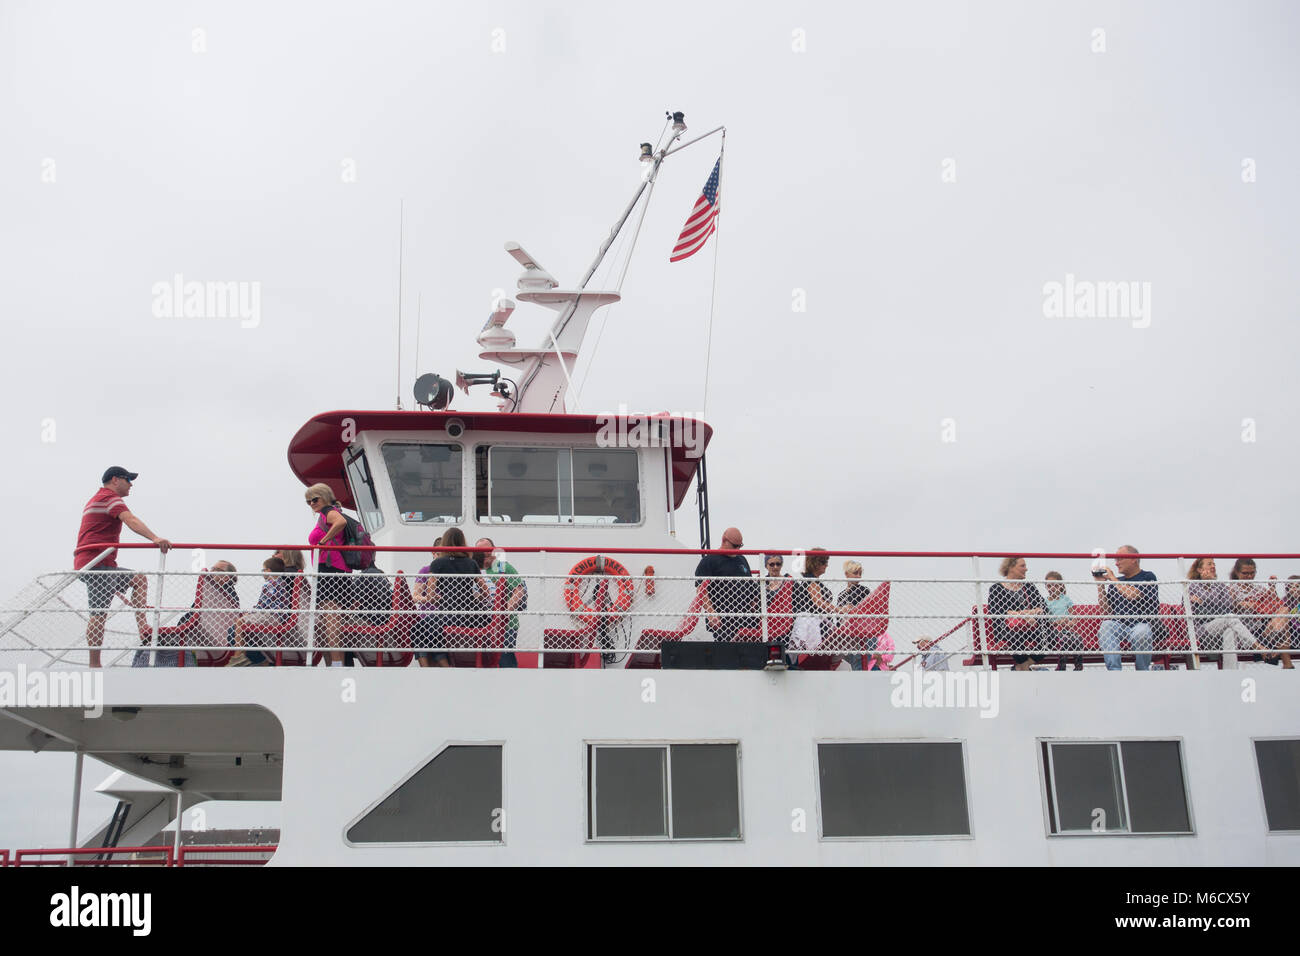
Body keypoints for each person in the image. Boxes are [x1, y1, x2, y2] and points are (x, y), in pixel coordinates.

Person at [74, 466, 172, 668]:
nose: (131, 484)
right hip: (96, 565)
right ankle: (94, 665)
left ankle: (143, 629)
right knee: (98, 614)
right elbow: (130, 520)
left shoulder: (101, 498)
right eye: (128, 480)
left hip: (101, 563)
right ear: (115, 480)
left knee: (139, 580)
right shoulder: (109, 498)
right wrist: (155, 538)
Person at [412, 528, 487, 667]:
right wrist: (475, 598)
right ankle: (445, 667)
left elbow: (430, 596)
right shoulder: (471, 563)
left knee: (418, 629)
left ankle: (434, 668)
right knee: (432, 630)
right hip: (470, 615)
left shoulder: (437, 564)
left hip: (447, 614)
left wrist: (439, 598)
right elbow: (485, 592)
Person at [306, 483, 352, 667]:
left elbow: (341, 522)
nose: (311, 503)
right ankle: (337, 662)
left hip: (330, 570)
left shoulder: (328, 511)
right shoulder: (328, 512)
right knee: (331, 620)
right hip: (335, 570)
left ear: (324, 497)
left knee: (331, 619)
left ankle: (336, 663)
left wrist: (323, 542)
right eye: (308, 501)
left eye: (314, 499)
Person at [1186, 557, 1256, 669]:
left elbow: (1227, 608)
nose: (1213, 566)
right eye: (1209, 564)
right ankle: (1257, 646)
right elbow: (1199, 614)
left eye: (1214, 564)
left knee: (1229, 630)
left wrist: (1203, 602)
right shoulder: (1192, 587)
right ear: (1199, 570)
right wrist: (1209, 588)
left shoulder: (1221, 586)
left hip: (1222, 628)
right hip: (1203, 631)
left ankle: (1230, 672)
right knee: (1229, 618)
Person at [1096, 545, 1158, 671]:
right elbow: (1106, 611)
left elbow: (1132, 595)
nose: (1116, 563)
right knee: (1106, 625)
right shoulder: (1116, 582)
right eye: (1115, 560)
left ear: (1133, 559)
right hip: (1120, 625)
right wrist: (1100, 586)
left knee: (1141, 632)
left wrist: (1112, 578)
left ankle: (1142, 671)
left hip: (1142, 623)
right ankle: (1114, 671)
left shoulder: (1148, 576)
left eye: (1119, 559)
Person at [791, 549, 857, 664]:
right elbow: (820, 603)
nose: (827, 565)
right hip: (818, 627)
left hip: (822, 625)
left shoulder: (811, 580)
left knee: (848, 643)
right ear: (815, 563)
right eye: (824, 562)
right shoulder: (811, 582)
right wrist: (840, 610)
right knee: (851, 640)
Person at [693, 527, 755, 642]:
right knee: (727, 652)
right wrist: (711, 613)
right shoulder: (709, 560)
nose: (738, 549)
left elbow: (751, 587)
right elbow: (701, 589)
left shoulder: (742, 559)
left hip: (746, 619)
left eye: (740, 546)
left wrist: (755, 607)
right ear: (724, 540)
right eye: (735, 546)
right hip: (723, 619)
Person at [987, 557, 1049, 671]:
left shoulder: (1029, 587)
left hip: (1031, 627)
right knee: (1016, 636)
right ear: (1011, 567)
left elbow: (1043, 607)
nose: (1026, 569)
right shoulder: (996, 589)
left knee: (1050, 636)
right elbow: (997, 612)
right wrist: (1023, 615)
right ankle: (1024, 667)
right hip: (1007, 629)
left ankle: (1023, 666)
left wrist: (1031, 614)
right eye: (1022, 566)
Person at [1229, 558, 1292, 668]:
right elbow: (1231, 608)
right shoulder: (1231, 590)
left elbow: (1274, 606)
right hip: (1247, 633)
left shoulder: (1259, 589)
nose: (1249, 576)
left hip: (1263, 629)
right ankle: (1287, 664)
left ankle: (1267, 637)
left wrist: (1272, 589)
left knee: (1284, 610)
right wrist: (1245, 604)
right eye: (1245, 573)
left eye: (1252, 573)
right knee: (1283, 630)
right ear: (1237, 572)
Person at [230, 557, 293, 666]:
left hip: (272, 616)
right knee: (245, 624)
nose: (263, 573)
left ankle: (238, 656)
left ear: (268, 571)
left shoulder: (270, 584)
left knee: (240, 622)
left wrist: (250, 613)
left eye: (263, 570)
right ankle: (244, 655)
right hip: (278, 617)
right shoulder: (282, 583)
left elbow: (263, 605)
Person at [475, 537, 526, 667]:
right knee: (486, 660)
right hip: (483, 624)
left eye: (488, 551)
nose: (485, 554)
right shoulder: (476, 569)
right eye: (481, 552)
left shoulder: (501, 567)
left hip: (506, 625)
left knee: (505, 659)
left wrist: (504, 613)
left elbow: (519, 590)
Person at [1044, 571, 1084, 671]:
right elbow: (1045, 621)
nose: (1052, 588)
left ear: (1060, 585)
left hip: (1066, 629)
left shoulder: (1066, 599)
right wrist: (1058, 622)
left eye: (1055, 585)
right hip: (1054, 631)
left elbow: (1074, 617)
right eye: (1049, 586)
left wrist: (1070, 623)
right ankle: (1062, 665)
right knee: (1064, 641)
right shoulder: (1045, 601)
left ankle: (1078, 665)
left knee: (1078, 639)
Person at [838, 560, 873, 670]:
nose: (858, 576)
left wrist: (846, 610)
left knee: (859, 665)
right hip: (847, 637)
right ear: (847, 574)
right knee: (851, 666)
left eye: (860, 573)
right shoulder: (841, 595)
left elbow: (866, 612)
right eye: (855, 573)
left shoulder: (864, 590)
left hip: (862, 635)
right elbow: (839, 617)